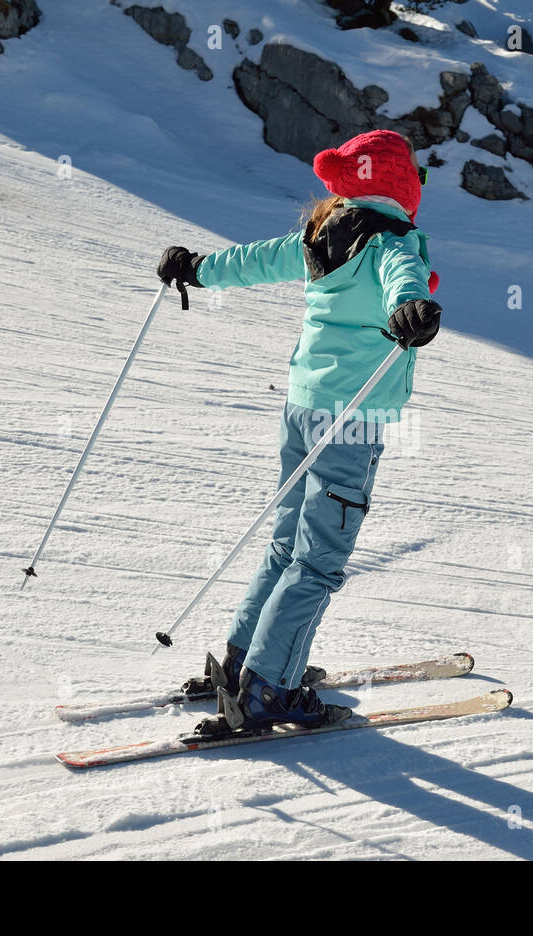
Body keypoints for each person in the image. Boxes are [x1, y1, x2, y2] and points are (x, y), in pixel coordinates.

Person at [156, 129, 442, 731]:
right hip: (353, 417)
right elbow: (402, 281)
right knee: (319, 557)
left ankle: (244, 661)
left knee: (288, 540)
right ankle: (270, 689)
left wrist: (198, 269)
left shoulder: (323, 234)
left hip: (303, 407)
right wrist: (408, 306)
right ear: (398, 182)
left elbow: (256, 259)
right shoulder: (395, 242)